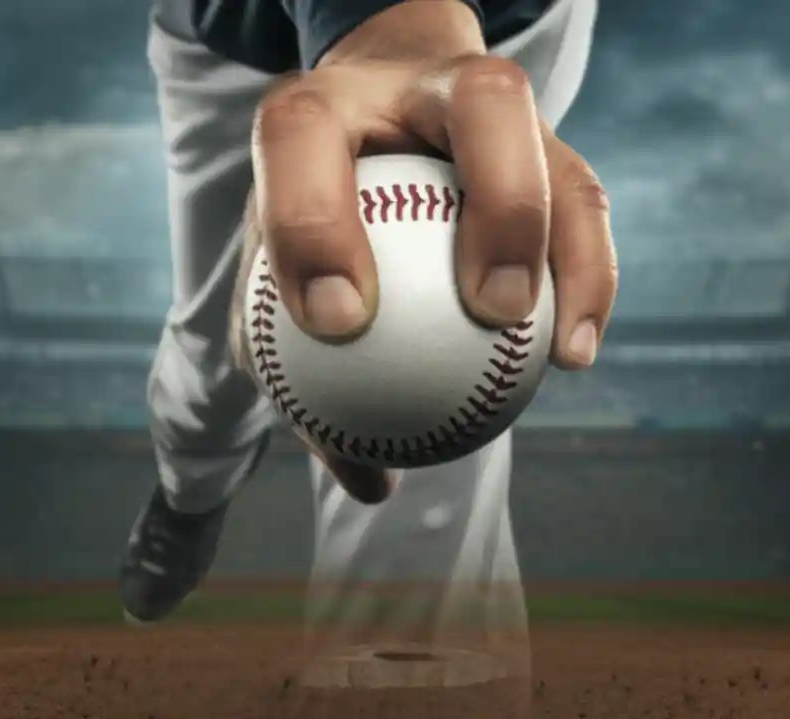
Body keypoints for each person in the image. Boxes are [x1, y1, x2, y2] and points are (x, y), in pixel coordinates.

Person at [119, 0, 616, 668]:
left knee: (443, 333)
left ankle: (406, 680)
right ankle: (192, 493)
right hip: (235, 34)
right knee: (216, 360)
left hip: (495, 26)